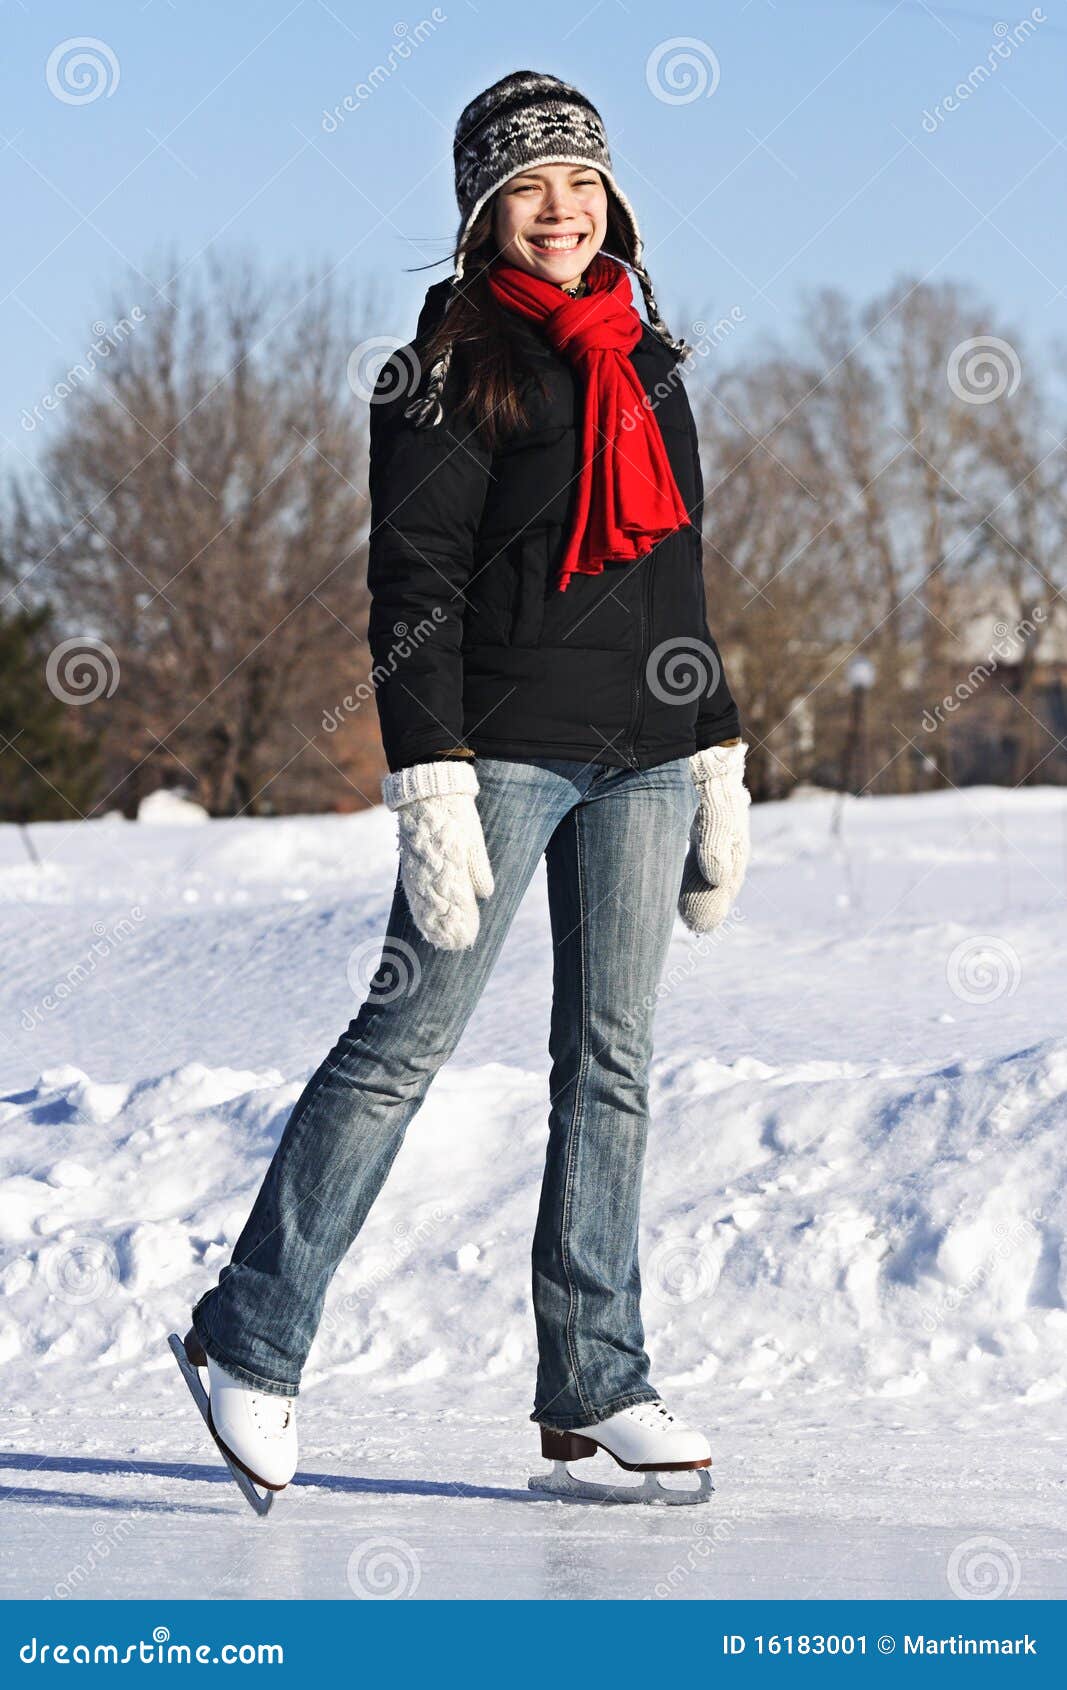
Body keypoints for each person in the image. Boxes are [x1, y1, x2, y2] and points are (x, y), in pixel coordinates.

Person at [179, 69, 751, 1501]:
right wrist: (427, 774)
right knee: (401, 1045)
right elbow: (410, 586)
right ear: (483, 210)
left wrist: (721, 754)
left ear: (609, 195)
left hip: (647, 755)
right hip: (499, 749)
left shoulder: (652, 360)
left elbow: (680, 576)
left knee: (611, 1067)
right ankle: (248, 1336)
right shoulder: (444, 366)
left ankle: (595, 1375)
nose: (558, 209)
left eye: (578, 180)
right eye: (526, 186)